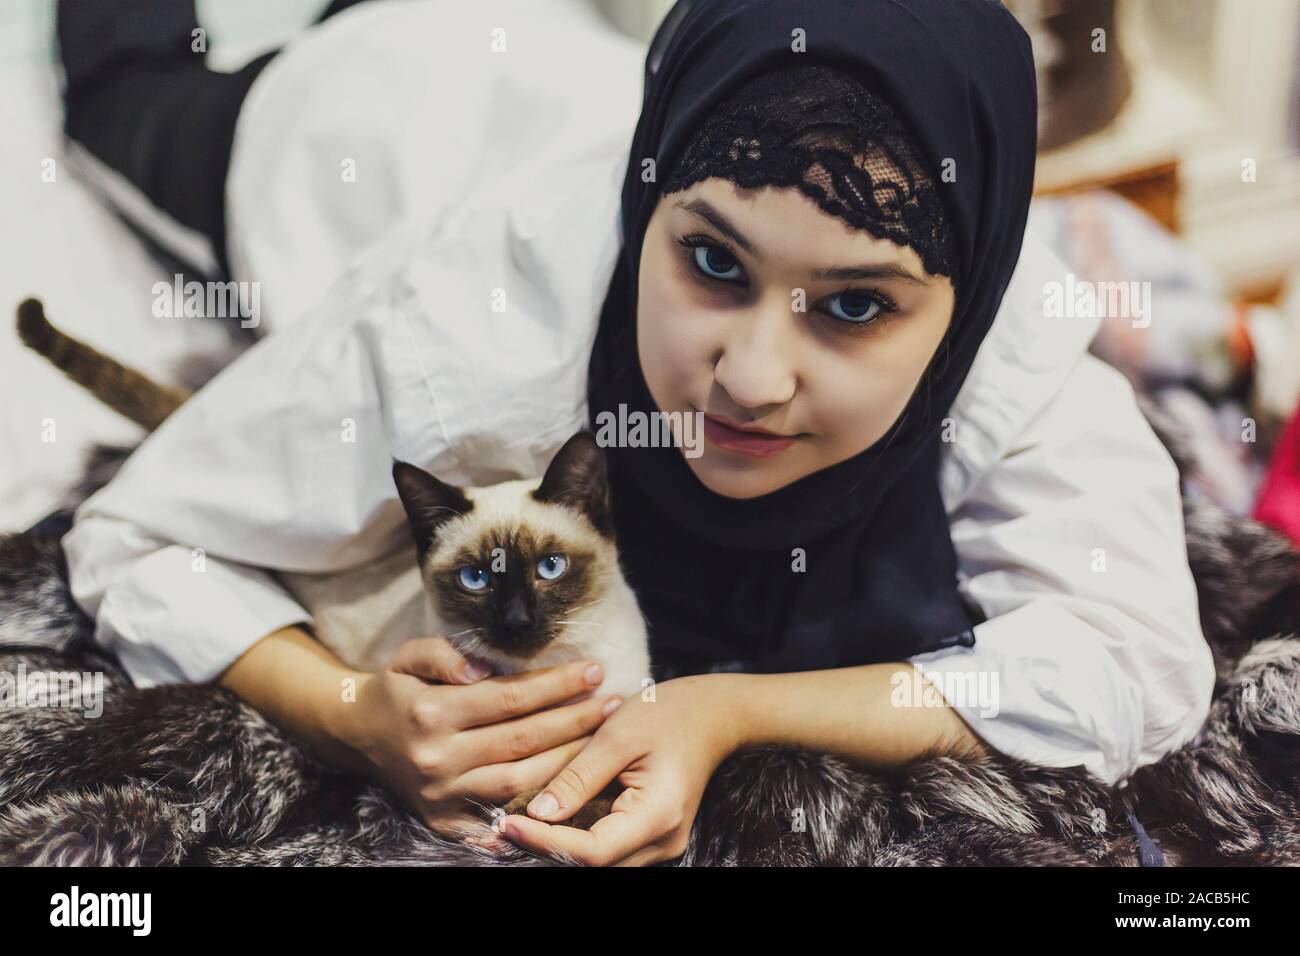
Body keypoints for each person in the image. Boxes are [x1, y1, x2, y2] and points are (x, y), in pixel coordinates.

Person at [58, 0, 1214, 866]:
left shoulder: (1017, 353)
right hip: (367, 118)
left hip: (553, 67)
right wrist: (354, 714)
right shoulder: (468, 326)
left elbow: (1135, 665)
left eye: (855, 303)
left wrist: (730, 709)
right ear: (644, 216)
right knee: (122, 95)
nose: (750, 382)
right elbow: (138, 538)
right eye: (711, 261)